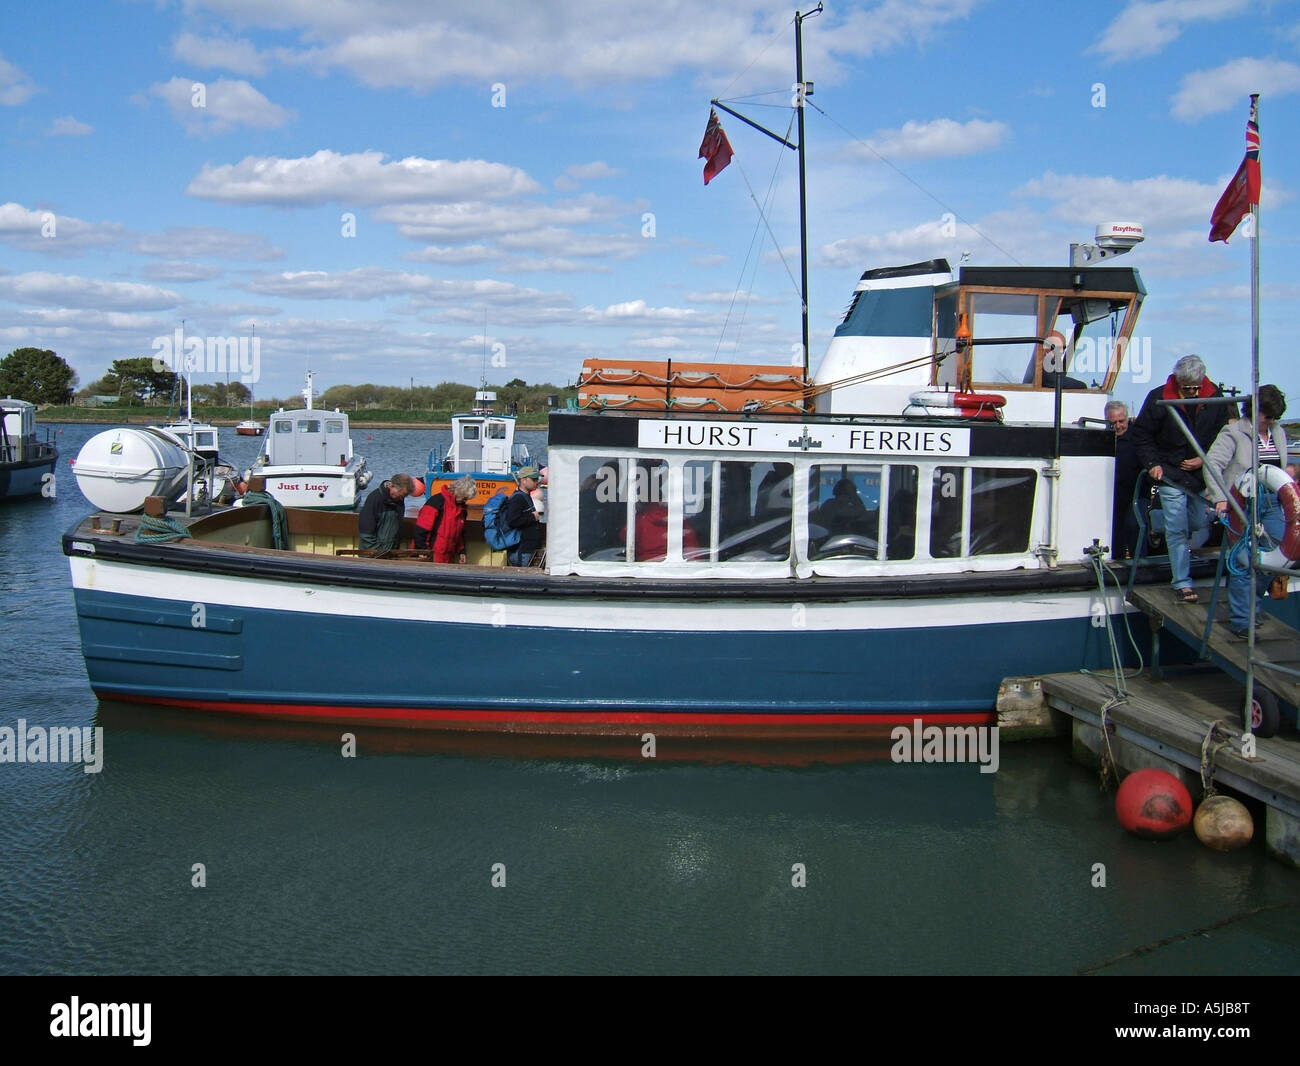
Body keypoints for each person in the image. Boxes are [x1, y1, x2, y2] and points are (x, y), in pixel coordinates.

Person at [1129, 355, 1233, 603]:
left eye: (1194, 388)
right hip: (1170, 473)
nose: (1190, 392)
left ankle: (1156, 518)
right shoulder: (1158, 397)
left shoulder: (1216, 398)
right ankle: (1183, 582)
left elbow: (1224, 436)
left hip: (1201, 474)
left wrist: (1204, 458)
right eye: (1185, 388)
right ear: (1177, 381)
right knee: (1178, 529)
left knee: (1198, 521)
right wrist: (1153, 464)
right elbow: (1142, 434)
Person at [1205, 385, 1289, 637]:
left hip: (1273, 501)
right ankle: (1243, 620)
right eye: (1268, 416)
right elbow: (1212, 465)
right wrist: (1220, 498)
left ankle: (1250, 605)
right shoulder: (1233, 432)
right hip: (1242, 501)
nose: (1271, 421)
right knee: (1243, 560)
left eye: (1275, 417)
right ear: (1255, 410)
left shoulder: (1278, 433)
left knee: (1275, 557)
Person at [1107, 400, 1142, 559]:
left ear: (1127, 419)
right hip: (1112, 495)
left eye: (1121, 421)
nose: (1118, 426)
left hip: (1136, 493)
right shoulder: (1104, 439)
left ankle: (1139, 564)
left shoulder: (1139, 438)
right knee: (1114, 530)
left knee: (1133, 526)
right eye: (1113, 422)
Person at [413, 477, 478, 563]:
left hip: (448, 555)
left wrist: (461, 552)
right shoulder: (436, 502)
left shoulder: (461, 508)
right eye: (464, 498)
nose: (465, 501)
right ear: (458, 491)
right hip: (431, 553)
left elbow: (460, 533)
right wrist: (422, 550)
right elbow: (421, 529)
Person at [358, 473, 413, 553]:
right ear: (391, 486)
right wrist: (379, 553)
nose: (402, 498)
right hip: (372, 555)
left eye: (404, 496)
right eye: (401, 495)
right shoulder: (375, 499)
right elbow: (365, 532)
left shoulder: (399, 500)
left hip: (389, 553)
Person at [504, 466, 544, 566]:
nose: (536, 482)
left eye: (537, 479)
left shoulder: (526, 496)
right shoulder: (517, 498)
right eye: (533, 479)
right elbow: (512, 521)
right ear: (523, 480)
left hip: (528, 550)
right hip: (522, 551)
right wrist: (532, 517)